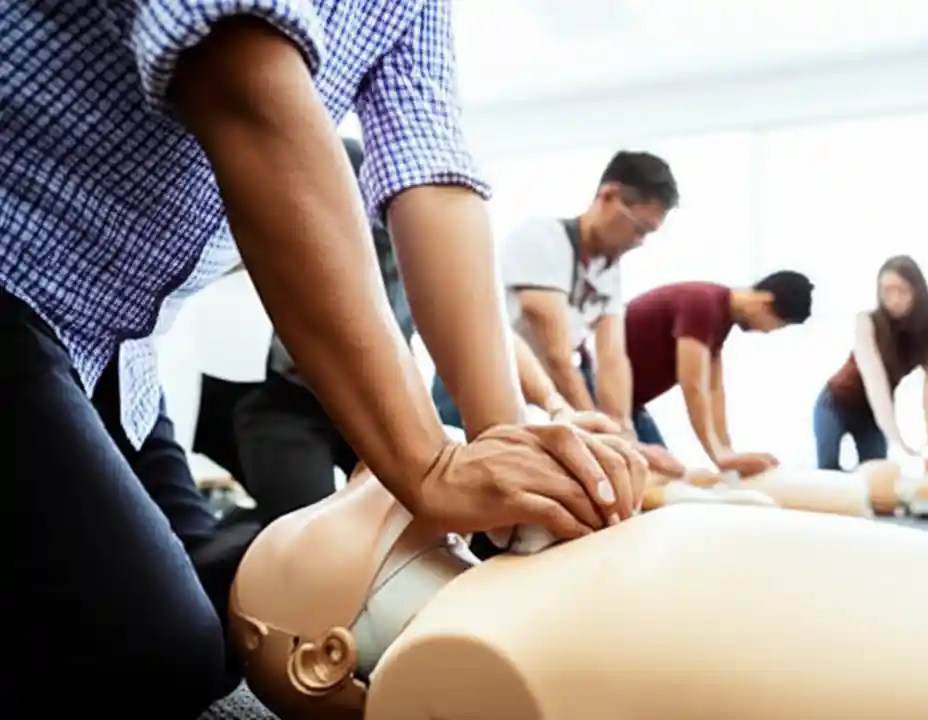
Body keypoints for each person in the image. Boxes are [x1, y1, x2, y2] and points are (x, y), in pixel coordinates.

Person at [0, 3, 642, 717]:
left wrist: (509, 450)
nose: (371, 487)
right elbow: (243, 83)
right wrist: (428, 463)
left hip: (112, 349)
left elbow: (433, 173)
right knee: (151, 653)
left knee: (207, 624)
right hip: (13, 280)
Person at [233, 136, 619, 525]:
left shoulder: (425, 252)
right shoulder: (343, 166)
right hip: (291, 400)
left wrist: (555, 408)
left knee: (428, 532)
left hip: (378, 407)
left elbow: (489, 331)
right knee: (304, 536)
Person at [433, 150, 679, 445]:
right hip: (477, 383)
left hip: (540, 395)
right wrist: (603, 432)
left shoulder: (608, 271)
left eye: (649, 234)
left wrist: (624, 427)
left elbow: (612, 357)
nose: (639, 241)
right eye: (638, 228)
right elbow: (556, 354)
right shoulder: (543, 238)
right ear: (609, 196)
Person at [625, 273, 815, 477]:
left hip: (630, 404)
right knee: (655, 476)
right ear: (765, 303)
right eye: (778, 325)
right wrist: (718, 455)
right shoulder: (703, 304)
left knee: (670, 473)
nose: (769, 332)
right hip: (597, 392)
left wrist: (728, 452)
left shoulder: (720, 317)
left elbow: (714, 389)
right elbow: (693, 385)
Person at [814, 256, 928, 471]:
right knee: (828, 469)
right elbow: (875, 384)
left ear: (918, 292)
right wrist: (900, 444)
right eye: (886, 291)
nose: (893, 299)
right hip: (835, 404)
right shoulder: (866, 321)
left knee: (876, 476)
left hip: (870, 416)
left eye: (901, 291)